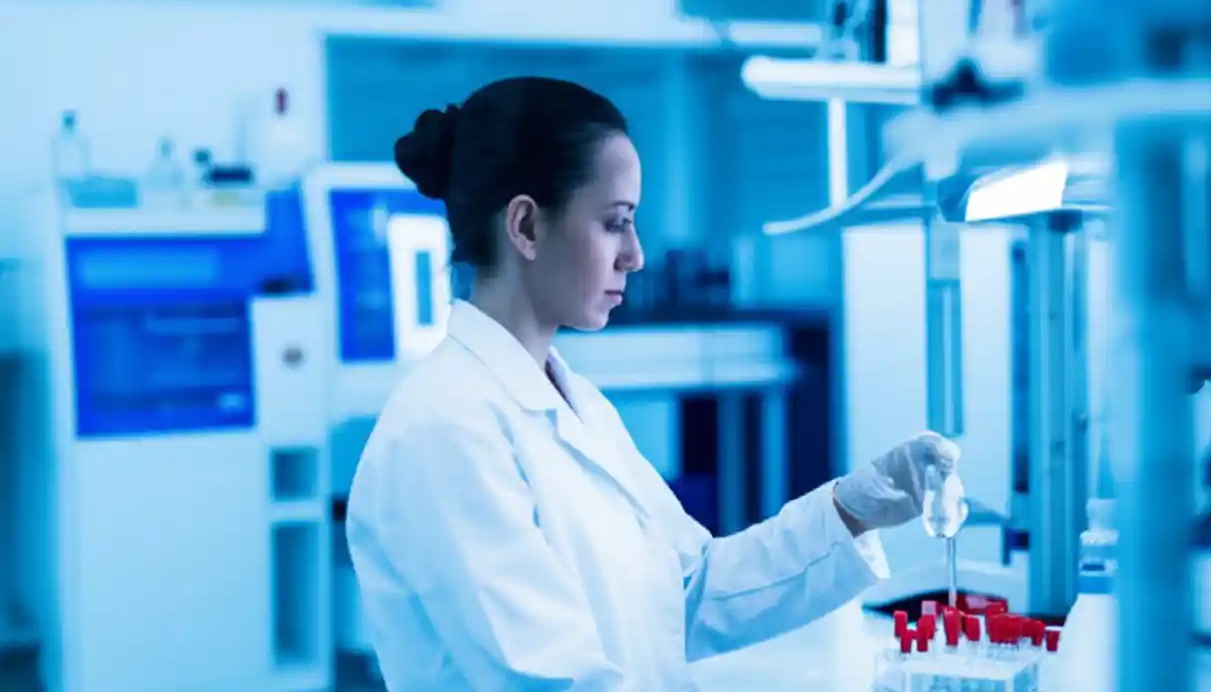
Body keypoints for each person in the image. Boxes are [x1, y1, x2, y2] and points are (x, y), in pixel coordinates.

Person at [344, 76, 961, 691]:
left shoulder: (576, 403)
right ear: (527, 227)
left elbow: (687, 590)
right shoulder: (446, 430)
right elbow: (550, 680)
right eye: (615, 222)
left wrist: (852, 508)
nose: (635, 255)